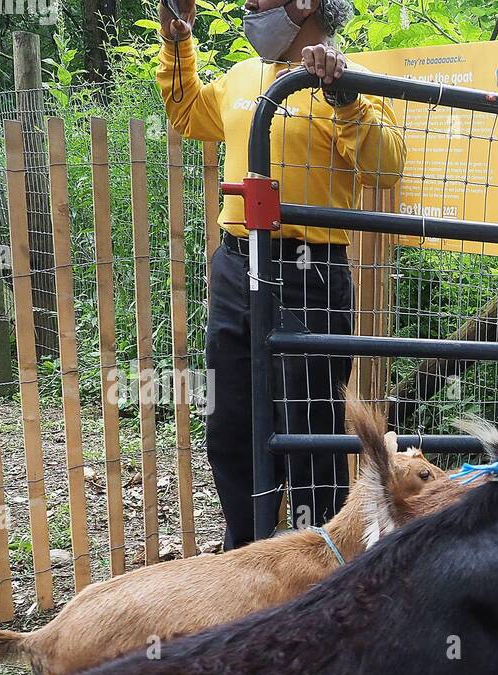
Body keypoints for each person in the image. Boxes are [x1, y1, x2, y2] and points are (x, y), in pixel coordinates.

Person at [157, 0, 405, 547]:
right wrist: (177, 41)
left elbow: (386, 164)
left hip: (309, 273)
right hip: (237, 265)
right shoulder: (243, 75)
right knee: (230, 424)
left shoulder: (350, 78)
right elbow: (187, 112)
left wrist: (342, 95)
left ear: (304, 5)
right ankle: (246, 552)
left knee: (308, 432)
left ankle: (313, 560)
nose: (249, 5)